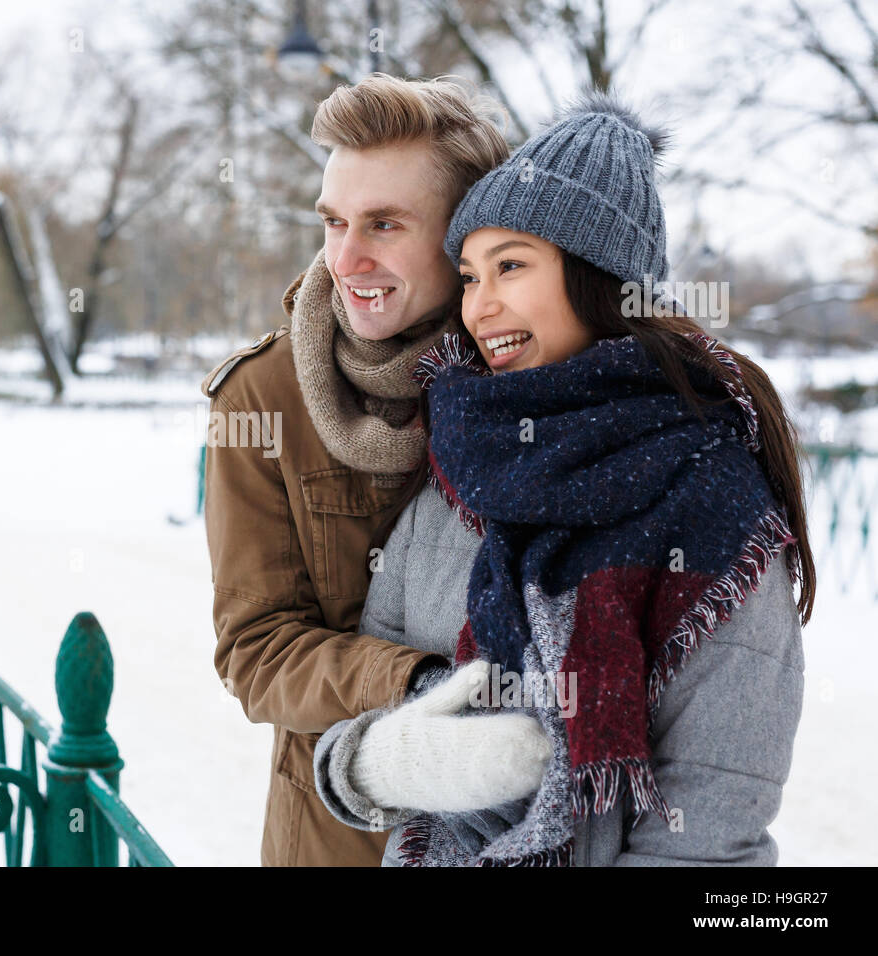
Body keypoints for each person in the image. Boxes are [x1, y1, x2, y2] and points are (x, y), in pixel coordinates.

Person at [313, 92, 813, 866]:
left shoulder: (713, 507)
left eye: (511, 266)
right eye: (471, 275)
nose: (481, 306)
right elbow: (363, 698)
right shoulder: (461, 465)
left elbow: (710, 833)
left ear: (601, 278)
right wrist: (375, 763)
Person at [201, 74, 510, 866]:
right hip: (340, 841)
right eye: (334, 221)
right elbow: (256, 649)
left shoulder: (529, 375)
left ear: (464, 233)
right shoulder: (261, 398)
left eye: (384, 224)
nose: (345, 257)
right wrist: (415, 683)